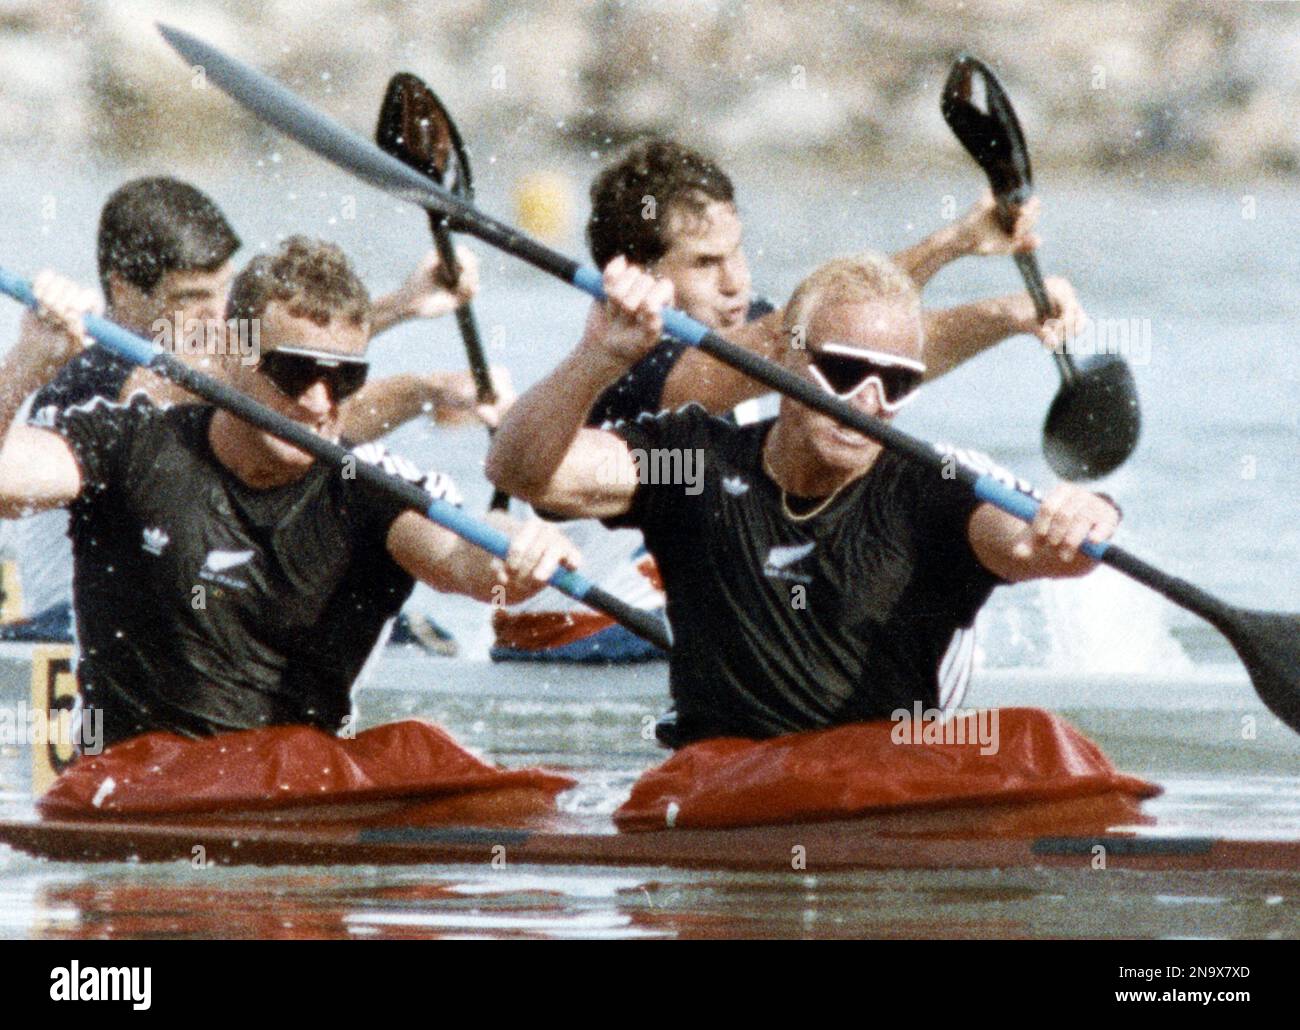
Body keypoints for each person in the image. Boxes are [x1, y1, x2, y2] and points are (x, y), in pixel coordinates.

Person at [490, 138, 1086, 663]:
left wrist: (1009, 317)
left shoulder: (750, 328)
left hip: (667, 625)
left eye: (736, 252)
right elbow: (797, 338)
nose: (735, 282)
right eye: (704, 263)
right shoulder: (630, 367)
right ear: (633, 276)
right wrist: (950, 244)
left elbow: (862, 367)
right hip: (578, 639)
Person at [486, 254, 1120, 746]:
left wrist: (1088, 516)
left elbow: (1040, 548)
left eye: (897, 382)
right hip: (720, 784)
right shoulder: (694, 464)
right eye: (844, 372)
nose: (868, 401)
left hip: (882, 784)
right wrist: (599, 357)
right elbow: (521, 470)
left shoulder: (934, 489)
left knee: (1034, 738)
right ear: (785, 360)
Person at [0, 237, 578, 748]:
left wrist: (519, 548)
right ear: (232, 349)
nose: (321, 403)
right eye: (296, 373)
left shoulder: (367, 488)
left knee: (419, 747)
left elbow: (467, 560)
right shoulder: (129, 444)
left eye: (344, 378)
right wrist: (26, 362)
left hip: (292, 790)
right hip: (133, 790)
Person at [1, 176, 500, 645]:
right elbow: (256, 399)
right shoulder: (97, 374)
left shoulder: (213, 370)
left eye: (225, 289)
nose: (219, 314)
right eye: (192, 298)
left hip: (173, 611)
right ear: (125, 291)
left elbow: (289, 409)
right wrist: (418, 379)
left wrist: (406, 318)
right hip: (73, 627)